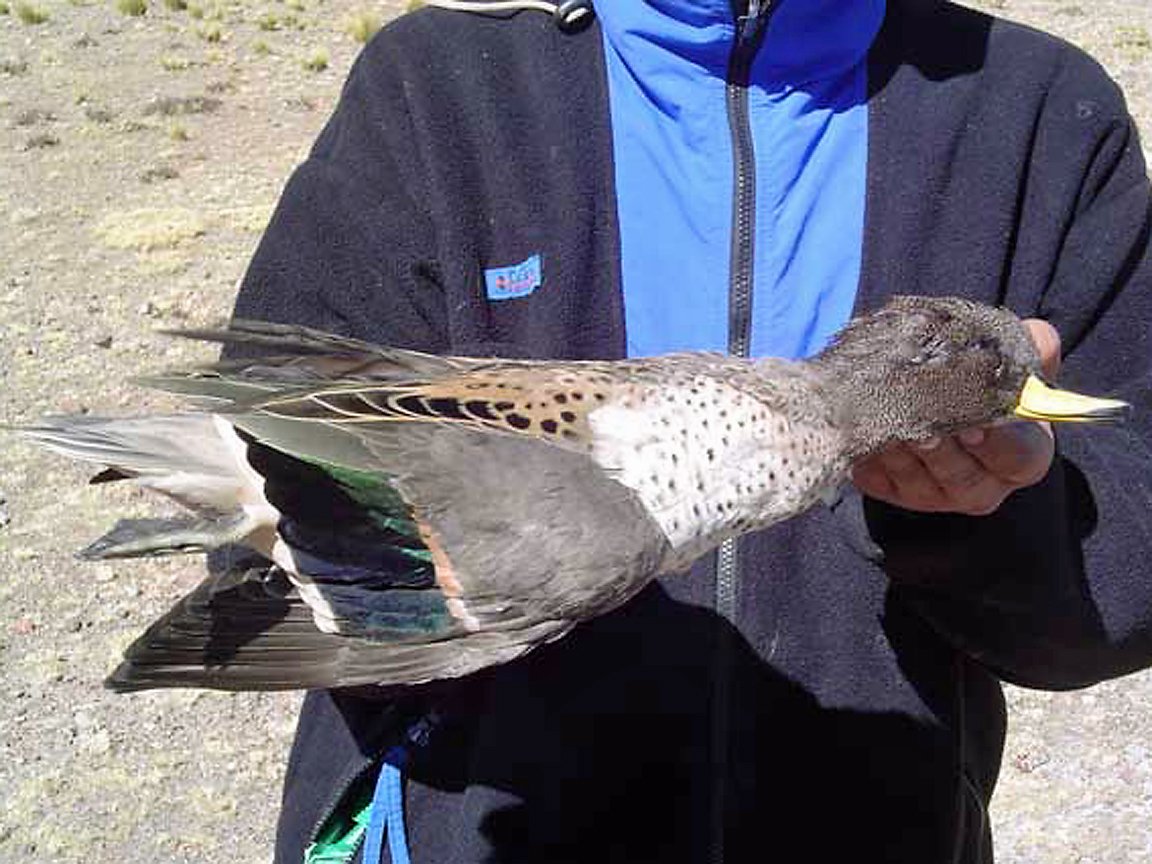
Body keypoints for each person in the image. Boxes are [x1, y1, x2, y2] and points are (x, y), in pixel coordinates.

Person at [229, 0, 1152, 861]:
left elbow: (1124, 570)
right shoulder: (440, 87)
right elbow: (265, 482)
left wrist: (986, 514)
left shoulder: (1038, 111)